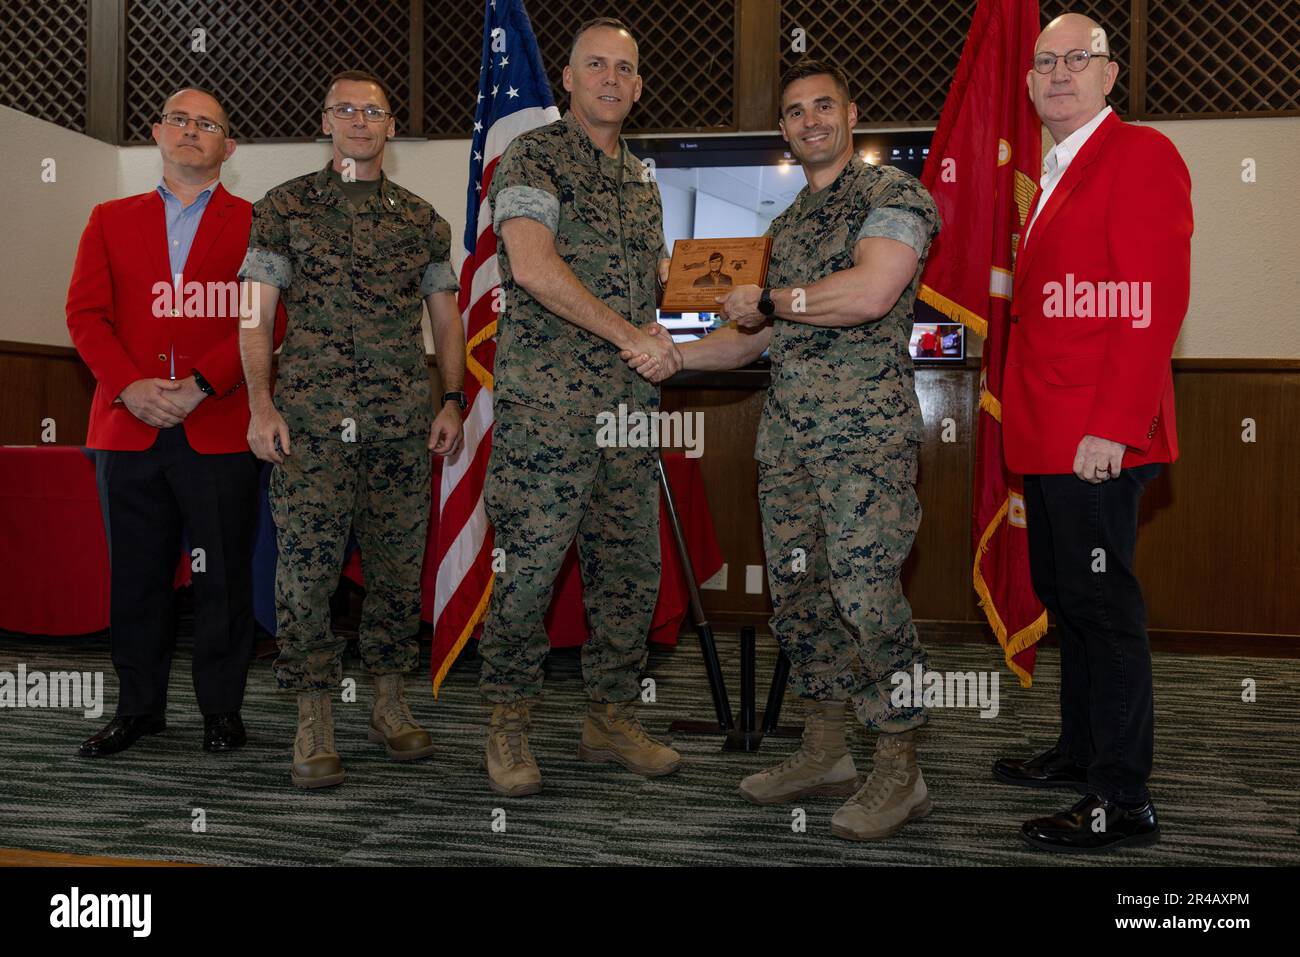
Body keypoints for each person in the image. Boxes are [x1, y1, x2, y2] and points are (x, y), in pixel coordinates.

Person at [627, 59, 940, 841]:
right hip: (791, 446)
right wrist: (669, 355)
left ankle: (901, 769)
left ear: (851, 113)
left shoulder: (892, 197)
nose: (810, 121)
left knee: (868, 599)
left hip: (865, 442)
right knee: (800, 603)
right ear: (787, 131)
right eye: (796, 112)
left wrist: (770, 298)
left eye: (823, 106)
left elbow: (870, 291)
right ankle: (825, 750)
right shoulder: (787, 226)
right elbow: (744, 342)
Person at [994, 13, 1193, 852]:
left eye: (1079, 59)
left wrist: (1114, 426)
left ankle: (1123, 798)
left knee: (1104, 612)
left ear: (1111, 76)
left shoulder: (1139, 154)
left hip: (1097, 441)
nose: (1059, 73)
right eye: (1044, 62)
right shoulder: (1054, 172)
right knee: (1068, 601)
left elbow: (1152, 305)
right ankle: (1080, 753)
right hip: (1049, 438)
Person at [238, 70, 466, 789]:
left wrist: (453, 398)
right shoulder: (283, 208)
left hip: (399, 425)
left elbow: (445, 319)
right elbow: (256, 314)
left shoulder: (423, 221)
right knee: (306, 576)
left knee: (398, 574)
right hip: (307, 422)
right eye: (346, 109)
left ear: (390, 126)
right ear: (326, 121)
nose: (361, 121)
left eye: (374, 111)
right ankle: (314, 718)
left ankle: (389, 705)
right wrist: (260, 404)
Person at [479, 17, 682, 797]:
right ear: (566, 79)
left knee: (631, 571)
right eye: (594, 65)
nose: (609, 79)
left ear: (637, 86)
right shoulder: (533, 156)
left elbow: (656, 280)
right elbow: (532, 265)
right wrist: (633, 331)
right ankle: (508, 723)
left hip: (629, 411)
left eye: (624, 69)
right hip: (549, 414)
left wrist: (720, 294)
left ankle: (609, 717)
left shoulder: (642, 178)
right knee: (527, 574)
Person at [67, 87, 283, 757]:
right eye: (180, 120)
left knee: (223, 577)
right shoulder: (108, 217)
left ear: (229, 147)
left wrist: (200, 384)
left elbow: (270, 319)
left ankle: (222, 710)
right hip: (126, 427)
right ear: (158, 132)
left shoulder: (257, 222)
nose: (192, 131)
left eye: (208, 124)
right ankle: (139, 709)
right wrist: (130, 386)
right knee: (135, 578)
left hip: (217, 426)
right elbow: (84, 316)